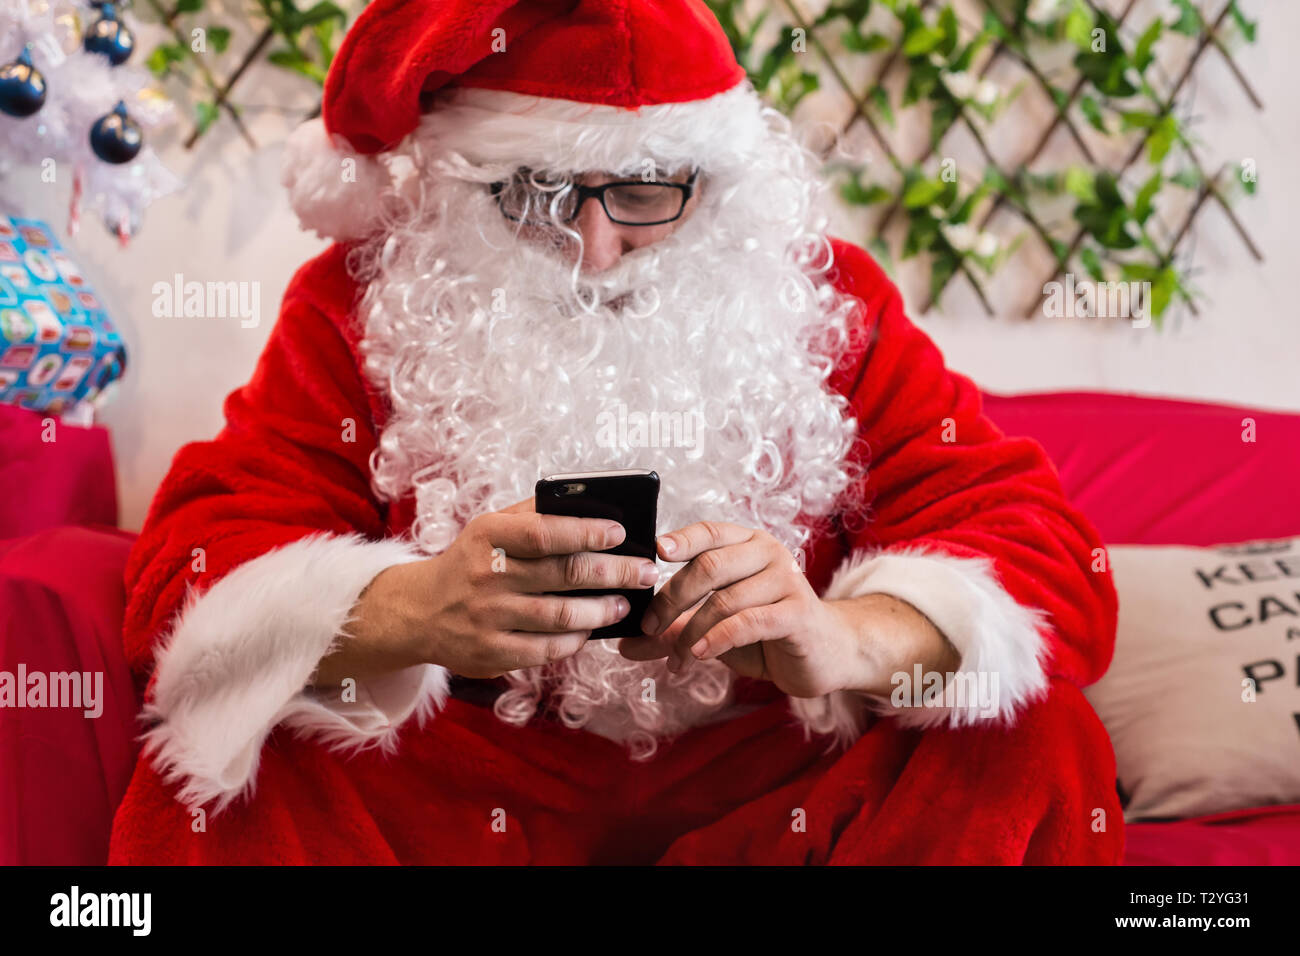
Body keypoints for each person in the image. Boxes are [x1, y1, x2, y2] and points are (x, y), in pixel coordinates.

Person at [108, 0, 1123, 865]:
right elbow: (194, 564)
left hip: (761, 778)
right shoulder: (358, 299)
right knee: (222, 767)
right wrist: (413, 607)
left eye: (646, 194)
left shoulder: (832, 305)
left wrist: (843, 637)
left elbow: (1035, 541)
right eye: (535, 194)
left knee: (1032, 741)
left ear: (718, 187)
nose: (593, 248)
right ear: (465, 183)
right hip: (458, 781)